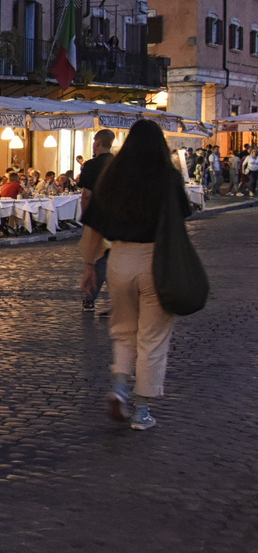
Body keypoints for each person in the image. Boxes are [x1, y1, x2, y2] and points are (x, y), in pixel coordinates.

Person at [78, 119, 192, 432]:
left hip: (120, 258)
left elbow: (95, 225)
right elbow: (181, 218)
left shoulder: (113, 175)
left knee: (124, 329)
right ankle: (141, 411)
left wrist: (89, 264)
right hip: (157, 259)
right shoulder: (168, 176)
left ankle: (118, 388)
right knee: (152, 337)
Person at [78, 129, 115, 313]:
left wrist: (86, 217)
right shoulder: (118, 163)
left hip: (98, 215)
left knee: (98, 257)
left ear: (98, 142)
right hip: (117, 217)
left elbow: (86, 194)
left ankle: (90, 297)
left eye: (94, 141)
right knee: (110, 257)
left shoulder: (91, 165)